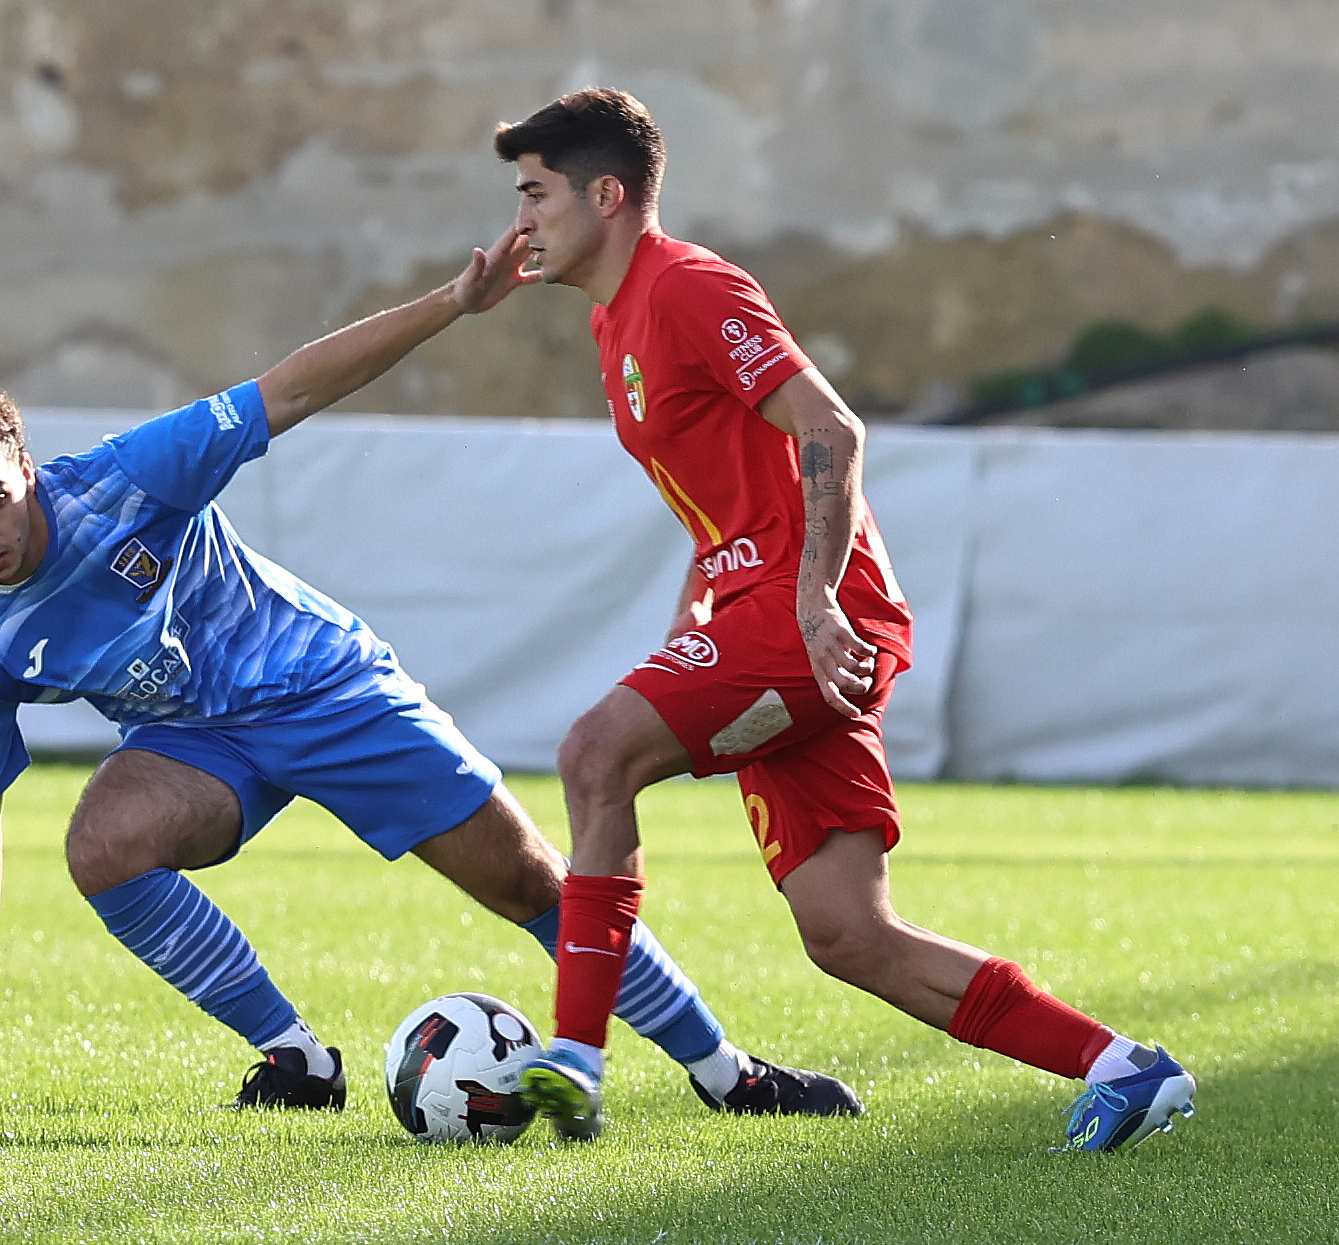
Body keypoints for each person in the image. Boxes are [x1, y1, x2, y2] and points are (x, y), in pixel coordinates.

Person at [0, 225, 859, 1118]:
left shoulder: (130, 480)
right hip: (193, 743)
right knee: (102, 847)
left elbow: (293, 388)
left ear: (29, 472)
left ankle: (729, 1075)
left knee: (524, 883)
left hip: (326, 688)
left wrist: (448, 303)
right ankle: (296, 1060)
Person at [491, 88, 1197, 1150]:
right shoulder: (611, 320)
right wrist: (706, 611)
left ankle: (576, 1061)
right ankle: (1126, 1069)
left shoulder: (686, 286)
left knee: (594, 755)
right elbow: (727, 502)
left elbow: (831, 424)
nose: (522, 221)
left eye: (535, 194)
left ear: (607, 194)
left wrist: (811, 596)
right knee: (847, 936)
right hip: (766, 607)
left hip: (808, 609)